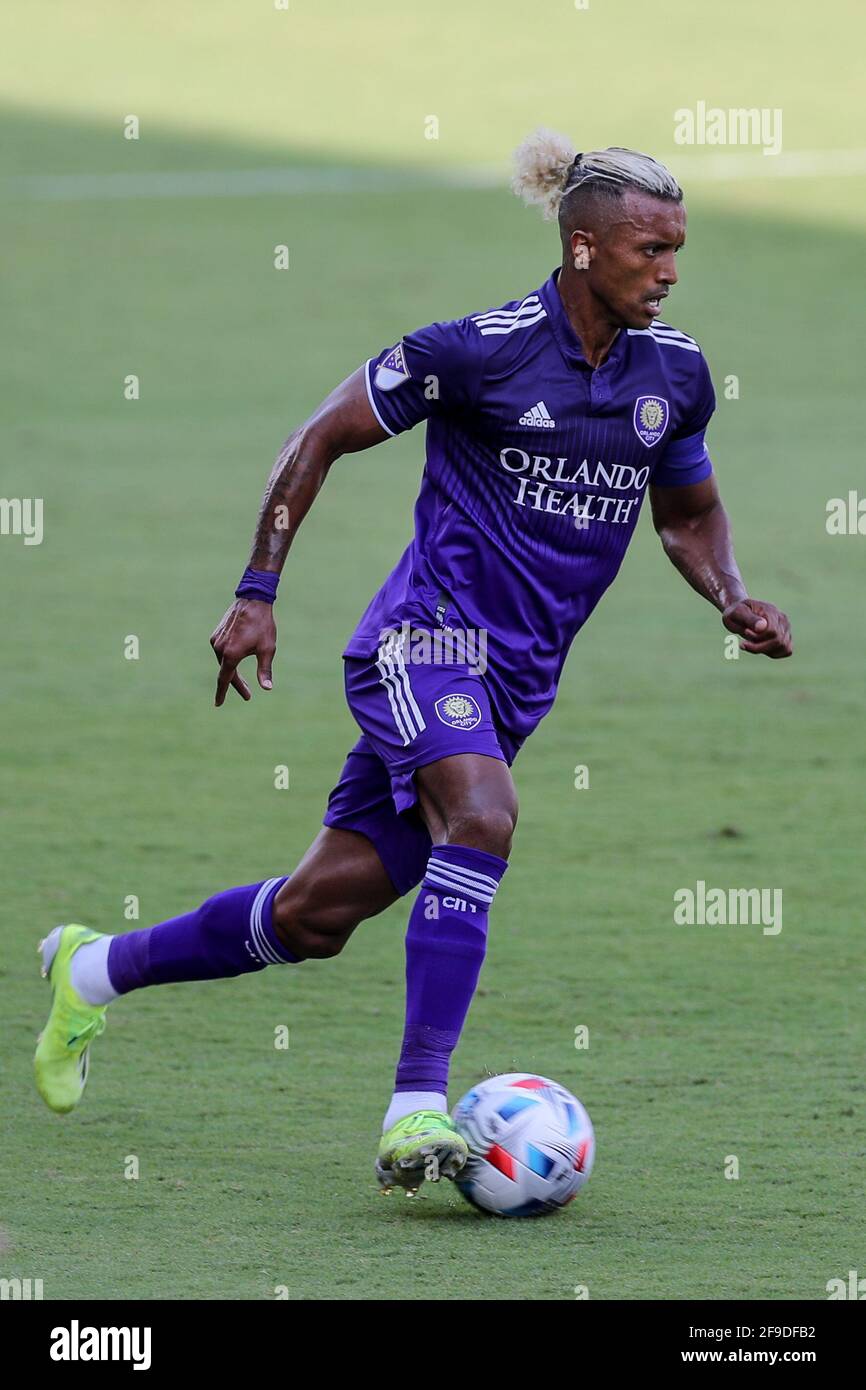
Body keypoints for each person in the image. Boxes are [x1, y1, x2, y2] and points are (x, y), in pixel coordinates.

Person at [35, 129, 792, 1195]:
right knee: (482, 815)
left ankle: (91, 968)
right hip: (421, 642)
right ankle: (413, 1109)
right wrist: (256, 591)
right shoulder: (473, 351)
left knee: (314, 916)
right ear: (581, 249)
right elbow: (319, 436)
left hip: (516, 683)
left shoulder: (672, 375)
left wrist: (729, 594)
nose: (667, 271)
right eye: (646, 250)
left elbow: (688, 511)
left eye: (676, 250)